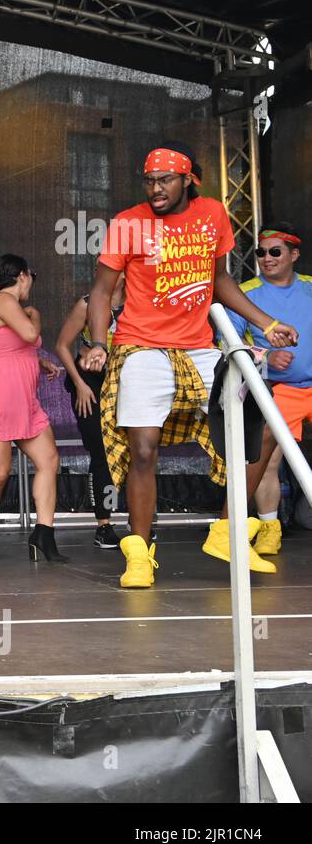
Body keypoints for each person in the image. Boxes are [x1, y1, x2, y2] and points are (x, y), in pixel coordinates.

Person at [85, 142, 298, 588]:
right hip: (141, 347)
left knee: (259, 429)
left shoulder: (213, 215)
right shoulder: (128, 223)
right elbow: (102, 291)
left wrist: (266, 321)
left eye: (164, 180)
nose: (155, 189)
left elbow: (219, 280)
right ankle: (140, 554)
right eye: (149, 180)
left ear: (187, 181)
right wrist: (98, 343)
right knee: (143, 449)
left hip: (200, 348)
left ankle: (227, 533)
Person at [0, 254, 66, 563]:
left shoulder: (9, 308)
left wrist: (39, 360)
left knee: (49, 460)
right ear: (23, 275)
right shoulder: (2, 300)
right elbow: (30, 334)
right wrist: (34, 314)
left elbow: (9, 347)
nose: (31, 284)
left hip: (24, 399)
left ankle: (43, 534)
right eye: (31, 276)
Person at [222, 222, 312, 559]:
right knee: (267, 460)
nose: (267, 258)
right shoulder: (244, 294)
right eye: (261, 253)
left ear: (294, 254)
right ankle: (270, 529)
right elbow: (227, 345)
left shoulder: (310, 288)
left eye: (275, 252)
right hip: (278, 388)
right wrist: (269, 355)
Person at [54, 278, 126, 549]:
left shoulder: (136, 302)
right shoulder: (87, 303)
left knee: (134, 447)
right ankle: (104, 525)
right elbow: (62, 345)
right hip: (89, 383)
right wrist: (80, 384)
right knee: (101, 450)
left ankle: (140, 521)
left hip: (123, 380)